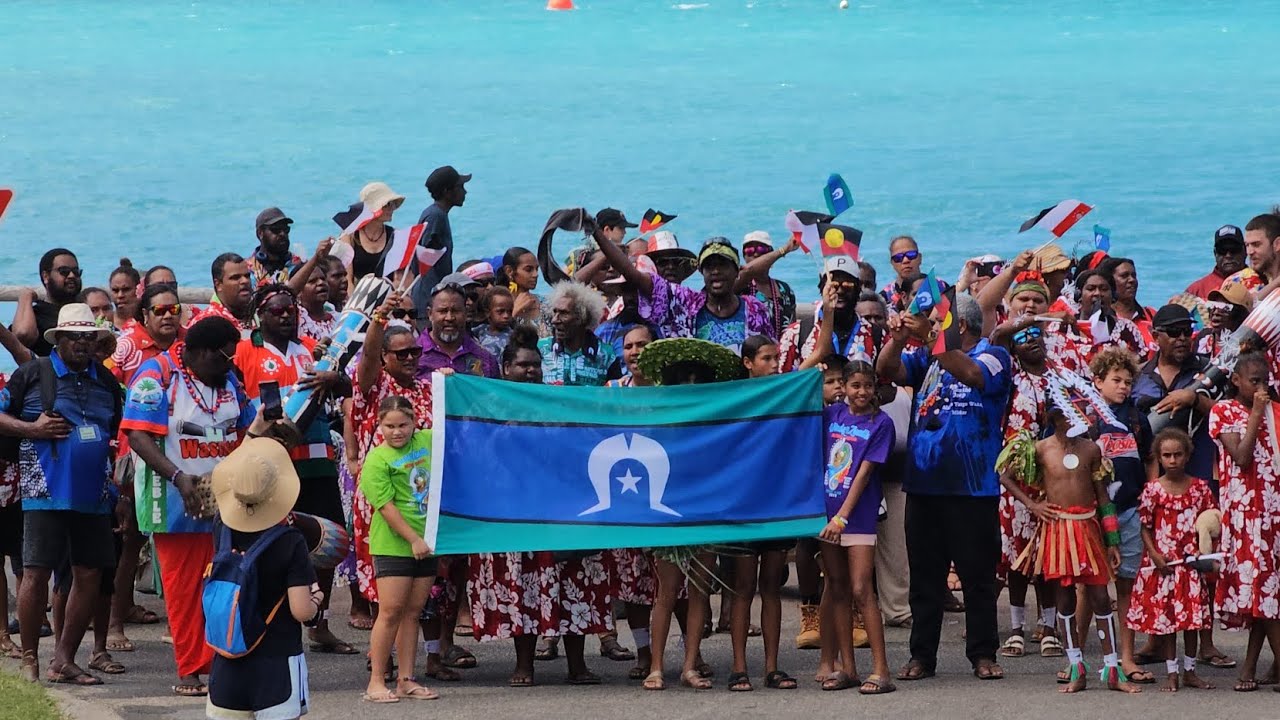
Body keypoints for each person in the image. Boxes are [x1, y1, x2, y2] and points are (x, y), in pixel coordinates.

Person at [876, 292, 1011, 682]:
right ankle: (922, 656)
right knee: (924, 577)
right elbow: (886, 370)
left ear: (960, 325)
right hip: (924, 484)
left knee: (977, 577)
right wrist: (898, 340)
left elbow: (972, 375)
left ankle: (983, 654)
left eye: (938, 322)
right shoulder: (927, 358)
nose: (931, 328)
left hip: (973, 486)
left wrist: (930, 337)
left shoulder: (993, 355)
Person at [121, 315, 254, 697]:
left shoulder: (229, 380)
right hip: (174, 499)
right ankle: (190, 669)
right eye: (223, 358)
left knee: (226, 583)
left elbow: (248, 427)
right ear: (199, 352)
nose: (229, 365)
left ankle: (223, 662)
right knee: (184, 589)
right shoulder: (156, 375)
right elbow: (138, 435)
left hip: (224, 498)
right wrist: (179, 478)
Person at [467, 332, 609, 687]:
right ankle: (524, 665)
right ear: (506, 368)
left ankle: (578, 665)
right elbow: (481, 452)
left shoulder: (557, 401)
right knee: (525, 589)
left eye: (535, 365)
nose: (531, 371)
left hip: (562, 508)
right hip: (516, 511)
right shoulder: (491, 405)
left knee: (574, 585)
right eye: (523, 365)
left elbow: (578, 444)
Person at [0, 304, 122, 685]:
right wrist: (31, 429)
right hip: (44, 490)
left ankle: (64, 660)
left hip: (95, 494)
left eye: (89, 337)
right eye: (75, 337)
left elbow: (118, 433)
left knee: (89, 574)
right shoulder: (33, 374)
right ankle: (30, 659)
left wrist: (119, 489)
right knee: (36, 573)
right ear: (59, 340)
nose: (83, 344)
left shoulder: (106, 381)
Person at [234, 284, 355, 656]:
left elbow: (349, 387)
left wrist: (336, 380)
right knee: (270, 542)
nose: (286, 315)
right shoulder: (244, 350)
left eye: (291, 309)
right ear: (260, 315)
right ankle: (267, 620)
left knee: (328, 540)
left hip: (316, 460)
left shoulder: (313, 349)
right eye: (277, 310)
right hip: (271, 463)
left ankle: (319, 623)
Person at [1000, 398, 1139, 694]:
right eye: (1071, 414)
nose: (1080, 419)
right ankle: (1076, 667)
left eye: (1082, 413)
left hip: (1088, 529)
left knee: (1100, 597)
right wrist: (1033, 505)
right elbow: (1006, 476)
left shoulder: (1091, 449)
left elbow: (1103, 496)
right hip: (1058, 530)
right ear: (1055, 418)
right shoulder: (1040, 449)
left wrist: (1112, 541)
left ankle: (1112, 670)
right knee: (1064, 600)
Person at [206, 436, 321, 720]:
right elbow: (301, 610)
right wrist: (316, 601)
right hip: (276, 663)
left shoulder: (222, 526)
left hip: (226, 662)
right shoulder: (290, 541)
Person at [816, 360, 896, 695]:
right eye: (855, 385)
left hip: (856, 515)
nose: (861, 392)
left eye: (867, 386)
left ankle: (881, 670)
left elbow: (863, 474)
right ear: (844, 387)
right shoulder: (832, 415)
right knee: (837, 588)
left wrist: (842, 518)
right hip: (826, 513)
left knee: (862, 589)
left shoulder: (881, 423)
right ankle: (847, 668)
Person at [725, 335, 798, 693]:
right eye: (766, 359)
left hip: (776, 503)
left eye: (776, 358)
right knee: (743, 588)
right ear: (748, 362)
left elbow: (815, 358)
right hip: (743, 504)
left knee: (771, 586)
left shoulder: (785, 391)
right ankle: (739, 668)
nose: (774, 365)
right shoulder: (734, 397)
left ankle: (772, 667)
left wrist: (828, 313)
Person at [359, 395, 440, 703]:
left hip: (426, 541)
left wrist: (449, 381)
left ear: (414, 422)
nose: (397, 432)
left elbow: (454, 421)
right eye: (389, 426)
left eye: (403, 425)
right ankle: (376, 681)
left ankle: (406, 679)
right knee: (390, 611)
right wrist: (413, 539)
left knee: (413, 612)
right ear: (379, 425)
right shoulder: (377, 460)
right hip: (394, 544)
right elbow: (386, 507)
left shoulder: (427, 440)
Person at [1208, 352, 1280, 692]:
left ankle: (1250, 668)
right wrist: (1255, 414)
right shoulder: (1223, 411)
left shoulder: (1274, 412)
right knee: (1261, 590)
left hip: (1273, 514)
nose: (1261, 388)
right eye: (1254, 381)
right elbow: (1241, 456)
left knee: (1267, 593)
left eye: (1265, 381)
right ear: (1236, 380)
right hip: (1246, 515)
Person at [1126, 428, 1218, 692]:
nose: (1173, 460)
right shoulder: (1153, 490)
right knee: (1166, 621)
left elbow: (1211, 521)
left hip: (1190, 565)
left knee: (1191, 621)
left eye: (1178, 454)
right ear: (1159, 457)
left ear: (1188, 455)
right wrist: (1154, 555)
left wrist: (1204, 551)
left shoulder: (1200, 488)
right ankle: (1171, 672)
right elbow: (1144, 526)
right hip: (1164, 566)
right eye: (1167, 455)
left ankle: (1190, 671)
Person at [992, 323, 1062, 661]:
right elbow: (997, 337)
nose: (1030, 341)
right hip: (1016, 478)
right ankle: (1016, 628)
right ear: (1014, 349)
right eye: (1022, 339)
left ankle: (1049, 628)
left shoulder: (1061, 378)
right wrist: (1021, 321)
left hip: (1053, 476)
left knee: (1047, 558)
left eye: (1036, 335)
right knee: (1017, 560)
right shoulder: (1011, 379)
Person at [1088, 347, 1156, 685]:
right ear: (1098, 381)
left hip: (1129, 510)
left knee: (1126, 586)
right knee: (1089, 588)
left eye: (1128, 382)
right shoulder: (1086, 418)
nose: (1123, 387)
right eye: (1116, 380)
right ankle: (1079, 658)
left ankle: (1126, 656)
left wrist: (1151, 495)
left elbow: (1150, 459)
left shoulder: (1136, 418)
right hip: (1092, 512)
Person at [596, 230, 775, 352]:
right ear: (702, 272)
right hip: (697, 391)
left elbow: (770, 356)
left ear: (736, 271)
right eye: (709, 266)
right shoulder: (686, 303)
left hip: (744, 391)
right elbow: (633, 275)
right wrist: (597, 233)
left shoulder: (755, 310)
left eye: (723, 265)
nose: (716, 271)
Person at [412, 165, 471, 316]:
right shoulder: (436, 216)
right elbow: (425, 260)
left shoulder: (437, 214)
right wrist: (436, 298)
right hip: (427, 300)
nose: (465, 192)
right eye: (460, 187)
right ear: (447, 191)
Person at [538, 281, 620, 386]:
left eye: (564, 313)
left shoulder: (607, 356)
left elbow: (617, 392)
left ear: (582, 317)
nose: (554, 320)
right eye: (555, 312)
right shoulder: (540, 349)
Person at [416, 282, 500, 380]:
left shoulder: (485, 359)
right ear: (430, 314)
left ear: (465, 313)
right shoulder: (412, 355)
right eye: (443, 311)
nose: (449, 318)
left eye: (456, 311)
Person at [13, 248, 82, 356]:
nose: (71, 275)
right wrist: (25, 297)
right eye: (64, 271)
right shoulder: (36, 316)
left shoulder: (86, 309)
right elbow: (23, 334)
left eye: (76, 271)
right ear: (46, 276)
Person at [110, 283, 183, 384]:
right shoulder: (125, 346)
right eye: (159, 310)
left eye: (174, 309)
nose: (168, 316)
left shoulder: (191, 341)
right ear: (145, 314)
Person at [339, 182, 405, 286]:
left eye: (393, 204)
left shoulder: (396, 236)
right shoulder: (349, 237)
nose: (392, 208)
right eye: (388, 204)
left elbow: (398, 279)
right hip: (357, 293)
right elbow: (347, 279)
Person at [741, 231, 798, 339]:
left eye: (761, 249)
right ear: (744, 256)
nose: (756, 254)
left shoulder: (785, 289)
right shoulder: (739, 285)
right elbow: (748, 271)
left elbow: (792, 328)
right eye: (749, 250)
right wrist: (784, 250)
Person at [197, 253, 257, 337]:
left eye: (247, 276)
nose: (245, 281)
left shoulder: (260, 314)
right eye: (235, 277)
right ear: (218, 284)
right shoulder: (206, 326)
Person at [1185, 225, 1248, 299]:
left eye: (1234, 249)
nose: (1228, 255)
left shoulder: (1258, 284)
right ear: (1215, 254)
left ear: (1245, 251)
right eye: (1222, 250)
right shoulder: (1195, 291)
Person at [247, 207, 302, 287]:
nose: (282, 234)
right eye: (276, 229)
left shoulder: (300, 266)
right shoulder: (246, 271)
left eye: (286, 229)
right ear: (260, 233)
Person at [1196, 278, 1251, 360]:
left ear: (1241, 315)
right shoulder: (1202, 338)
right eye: (1214, 305)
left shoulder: (1249, 348)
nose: (1216, 312)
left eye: (1225, 308)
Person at [499, 246, 546, 334]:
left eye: (536, 269)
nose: (536, 274)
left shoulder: (544, 303)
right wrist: (515, 312)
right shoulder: (498, 306)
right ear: (509, 271)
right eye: (528, 270)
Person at [294, 260, 337, 341]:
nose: (321, 282)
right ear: (298, 291)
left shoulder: (338, 318)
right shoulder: (294, 320)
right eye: (312, 281)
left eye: (323, 279)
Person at [880, 236, 924, 308]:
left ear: (920, 258)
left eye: (911, 254)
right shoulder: (884, 299)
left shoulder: (939, 288)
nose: (905, 260)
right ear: (892, 263)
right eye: (898, 257)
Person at [473, 286, 514, 359]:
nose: (506, 316)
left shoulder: (513, 338)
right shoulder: (479, 331)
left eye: (510, 311)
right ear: (488, 312)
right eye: (500, 311)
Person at [108, 260, 142, 331]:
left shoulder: (148, 323)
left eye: (126, 289)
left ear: (138, 289)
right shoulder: (106, 323)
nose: (120, 295)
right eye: (115, 290)